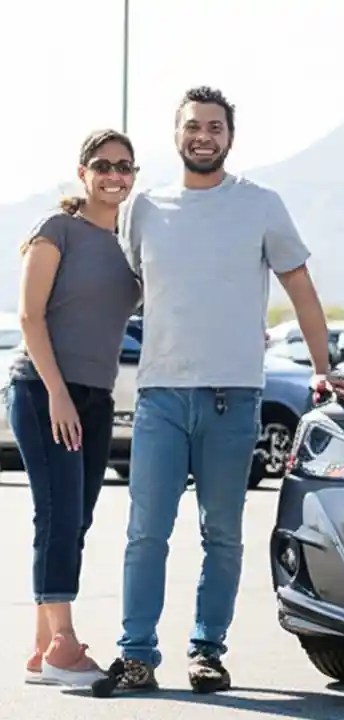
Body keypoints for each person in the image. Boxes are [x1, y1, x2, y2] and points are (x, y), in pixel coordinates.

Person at [91, 86, 344, 697]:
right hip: (161, 396)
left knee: (223, 533)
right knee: (145, 532)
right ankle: (136, 654)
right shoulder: (145, 209)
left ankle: (207, 649)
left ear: (229, 137)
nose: (203, 136)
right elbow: (125, 290)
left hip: (233, 398)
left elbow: (301, 287)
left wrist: (323, 366)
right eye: (193, 126)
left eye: (215, 127)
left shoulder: (260, 204)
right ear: (177, 134)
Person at [11, 129, 142, 687]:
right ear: (83, 171)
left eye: (125, 166)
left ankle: (43, 646)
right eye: (103, 164)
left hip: (96, 396)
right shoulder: (56, 229)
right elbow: (29, 318)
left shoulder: (132, 244)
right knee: (58, 515)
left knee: (77, 518)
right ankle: (64, 645)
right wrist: (58, 393)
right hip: (44, 392)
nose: (114, 174)